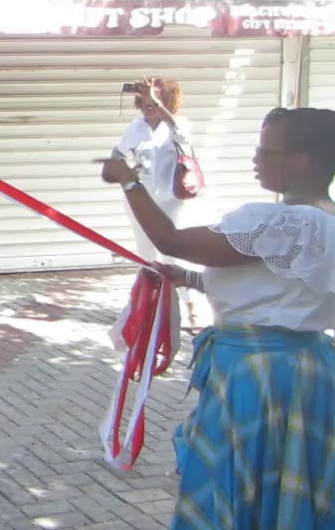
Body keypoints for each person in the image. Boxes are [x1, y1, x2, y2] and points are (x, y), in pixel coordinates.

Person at [100, 107, 335, 530]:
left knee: (239, 481)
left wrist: (129, 181)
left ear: (301, 160)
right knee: (285, 482)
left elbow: (169, 238)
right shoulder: (325, 223)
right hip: (308, 370)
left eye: (266, 150)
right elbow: (281, 287)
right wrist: (188, 277)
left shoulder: (283, 222)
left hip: (257, 377)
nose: (255, 158)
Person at [115, 77, 200, 326]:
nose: (148, 103)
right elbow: (118, 152)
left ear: (168, 100)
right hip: (140, 200)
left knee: (174, 253)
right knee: (147, 257)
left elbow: (182, 137)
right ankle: (149, 309)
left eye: (155, 97)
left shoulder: (178, 125)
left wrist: (158, 106)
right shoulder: (134, 128)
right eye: (144, 97)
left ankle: (190, 306)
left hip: (170, 201)